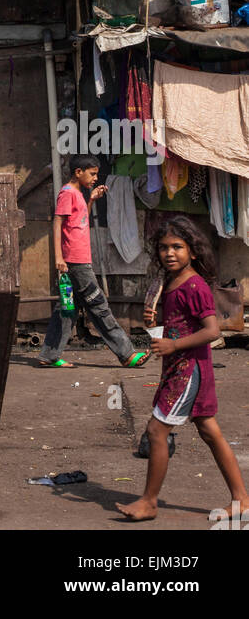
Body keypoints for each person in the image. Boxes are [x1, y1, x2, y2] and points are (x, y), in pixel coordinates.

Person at [117, 217, 249, 521]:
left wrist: (174, 346)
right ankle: (242, 499)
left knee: (156, 430)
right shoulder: (170, 282)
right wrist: (154, 326)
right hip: (178, 368)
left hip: (187, 371)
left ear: (192, 250)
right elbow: (177, 327)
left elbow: (212, 330)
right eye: (163, 247)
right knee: (209, 430)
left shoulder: (195, 285)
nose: (170, 253)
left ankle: (150, 501)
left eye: (177, 246)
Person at [38, 156, 150, 370]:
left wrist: (91, 201)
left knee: (67, 308)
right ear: (78, 172)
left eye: (96, 174)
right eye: (92, 174)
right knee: (98, 305)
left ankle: (49, 355)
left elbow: (80, 221)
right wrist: (59, 258)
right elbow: (57, 223)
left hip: (79, 260)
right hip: (75, 263)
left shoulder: (79, 194)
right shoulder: (67, 193)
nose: (96, 178)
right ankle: (126, 353)